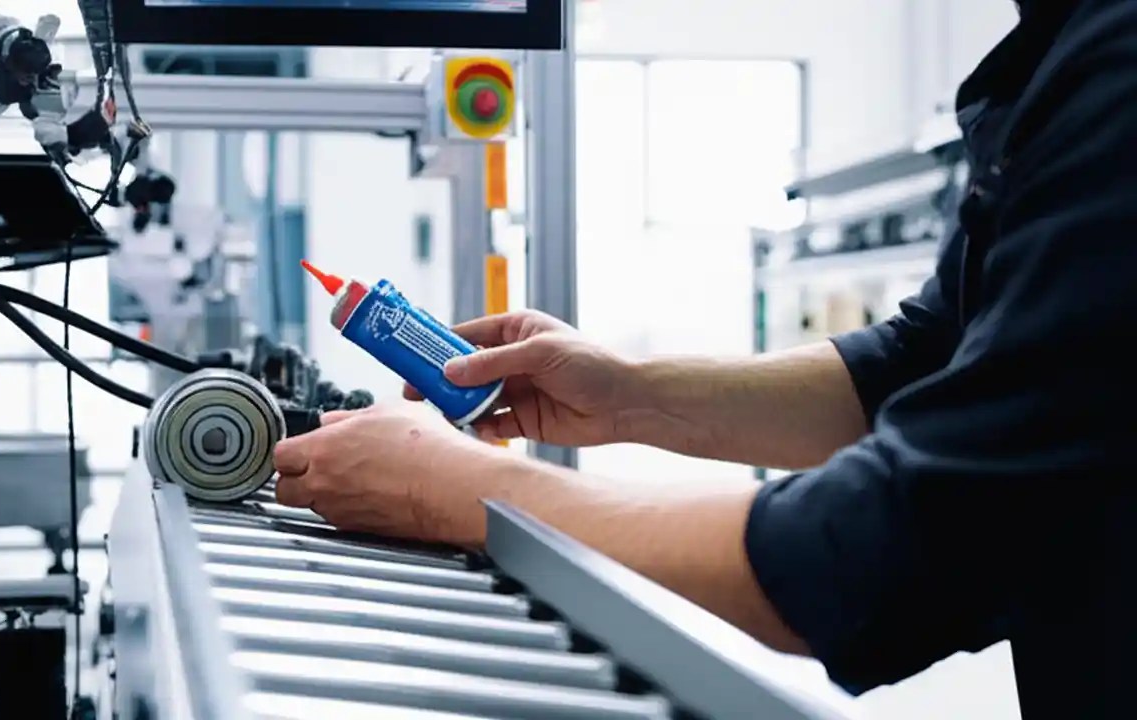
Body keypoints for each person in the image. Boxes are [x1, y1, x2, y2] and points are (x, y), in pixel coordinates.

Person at [271, 0, 1136, 717]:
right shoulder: (1057, 55)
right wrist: (629, 395)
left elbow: (901, 544)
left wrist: (456, 492)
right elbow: (924, 359)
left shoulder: (1120, 68)